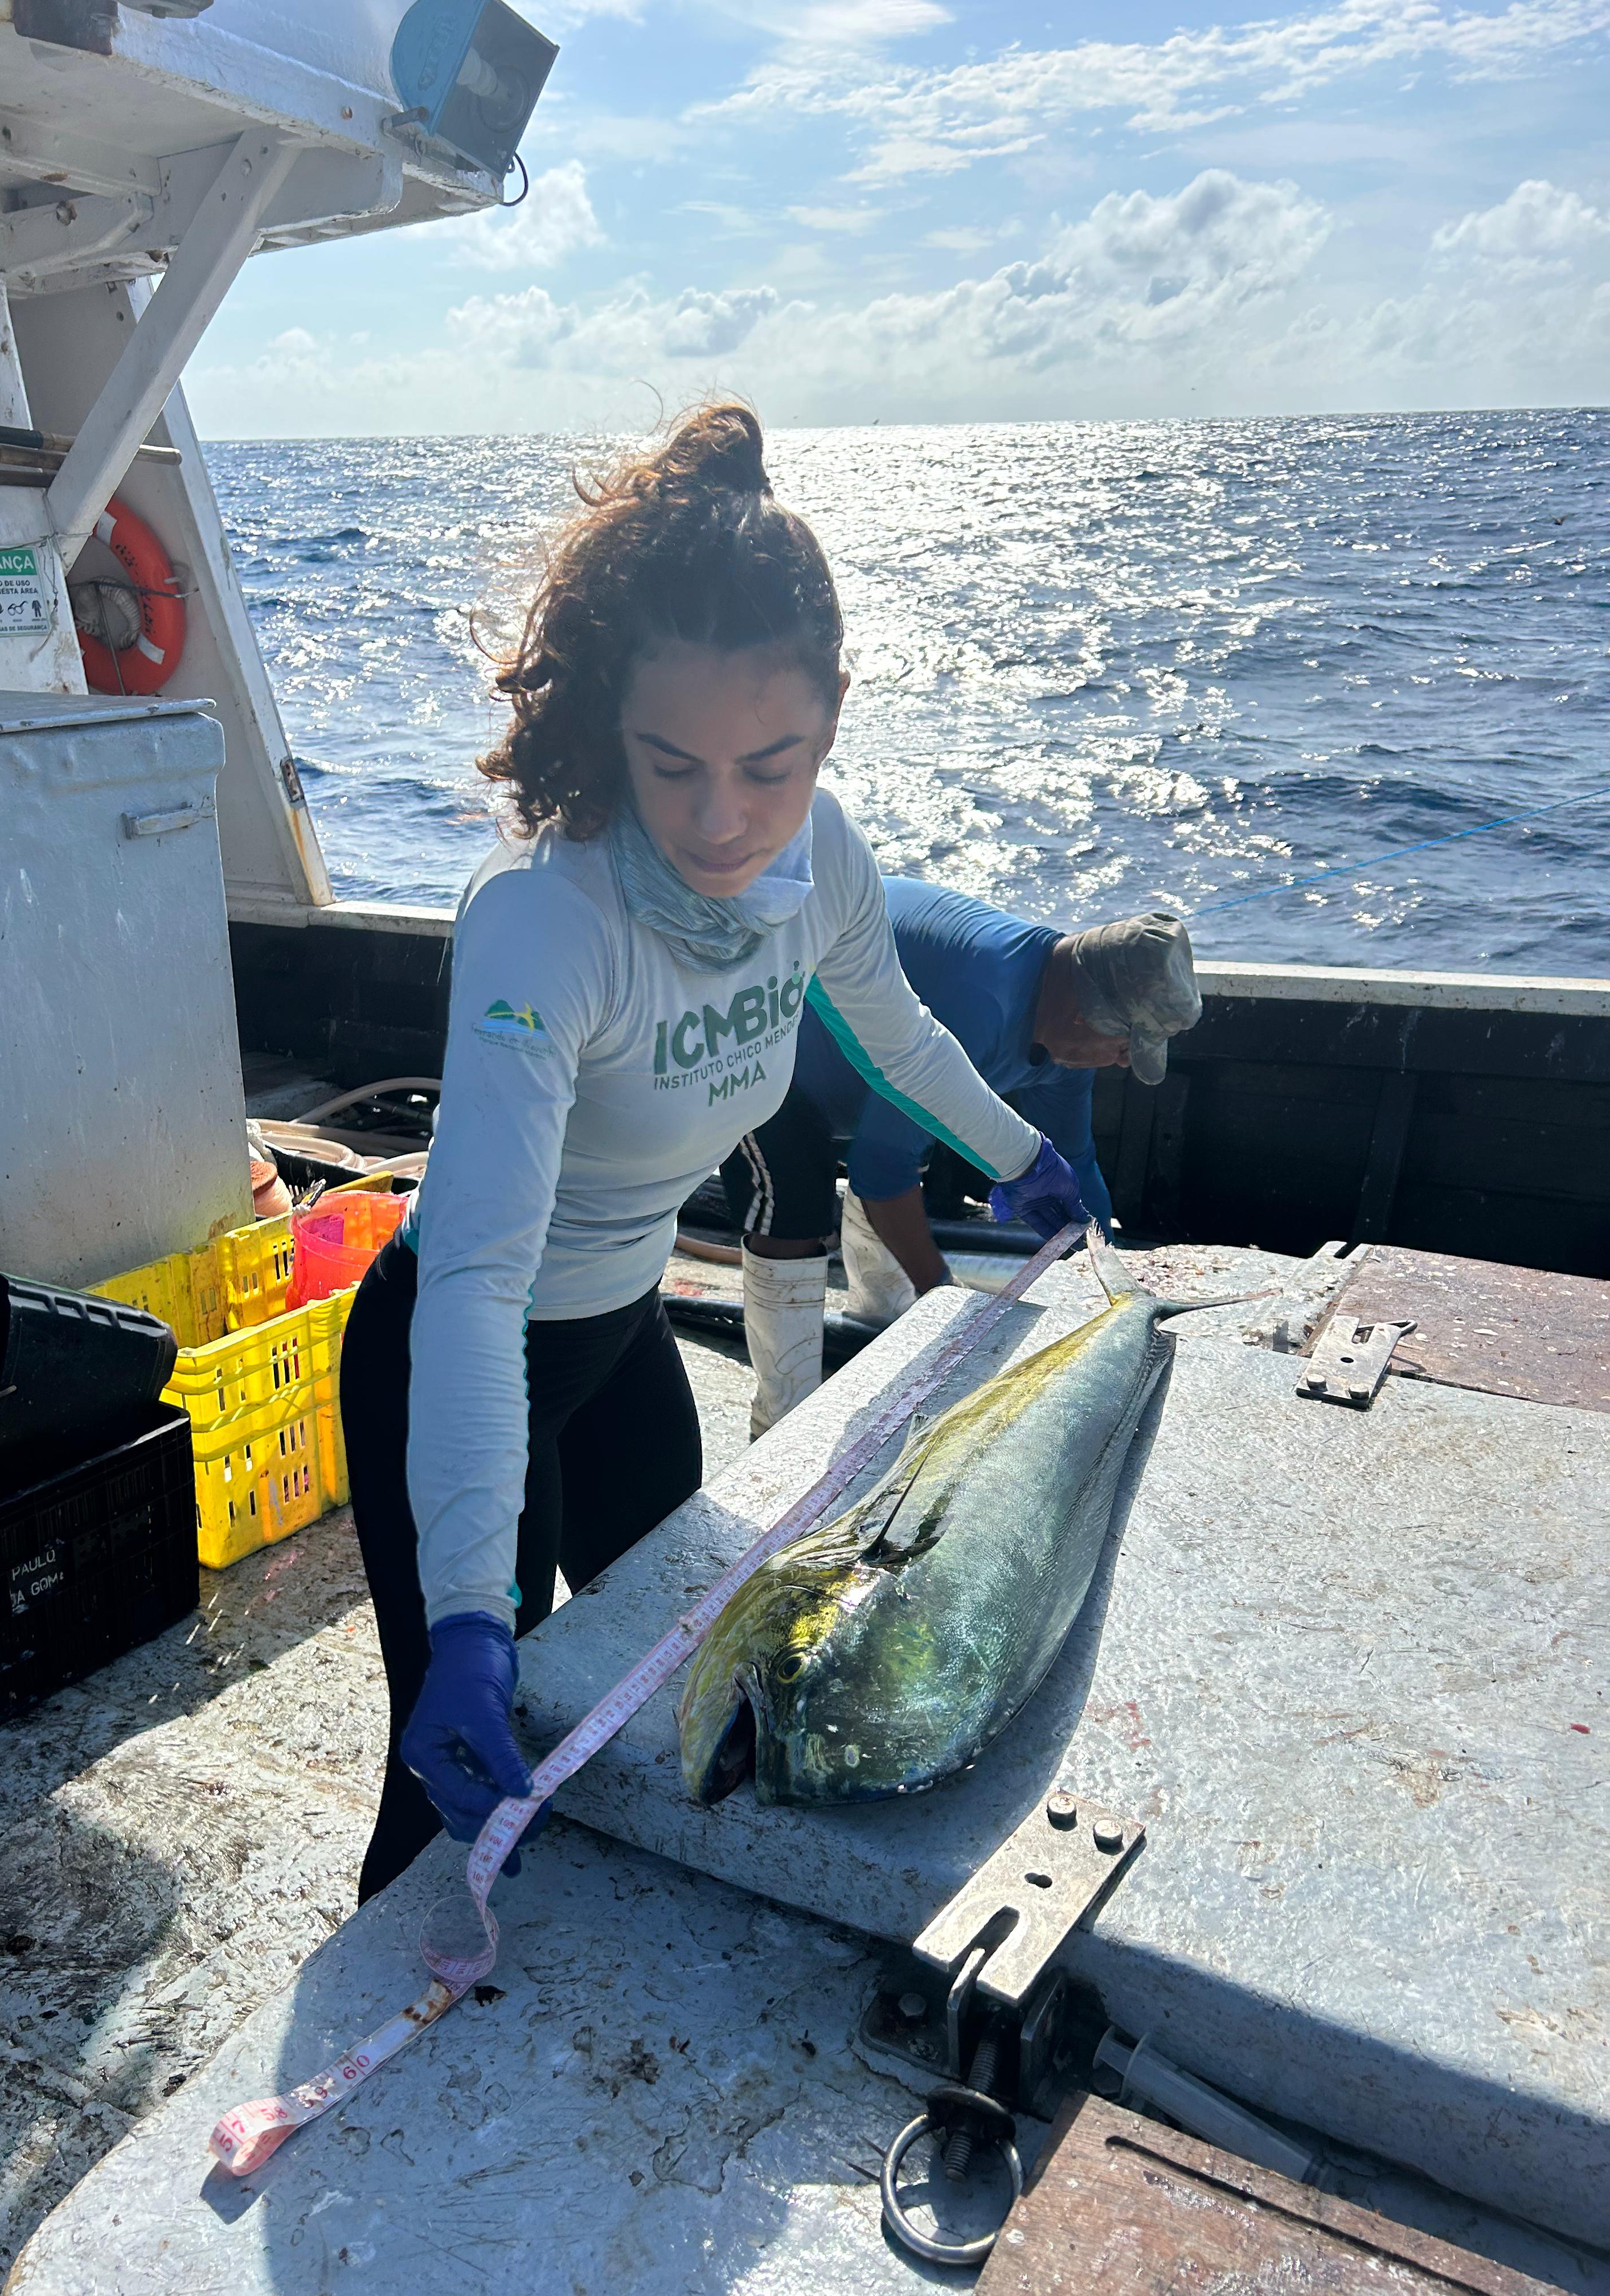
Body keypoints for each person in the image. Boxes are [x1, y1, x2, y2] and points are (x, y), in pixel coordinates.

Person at [337, 404, 1091, 1901]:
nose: (723, 818)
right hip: (454, 1352)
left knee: (679, 1675)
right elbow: (480, 1286)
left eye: (773, 763)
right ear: (611, 719)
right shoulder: (545, 926)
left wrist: (1022, 1159)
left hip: (620, 1342)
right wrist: (476, 1618)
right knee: (448, 1790)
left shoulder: (826, 860)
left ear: (833, 717)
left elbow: (899, 1037)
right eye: (670, 765)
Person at [720, 890, 1202, 1433]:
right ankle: (779, 1421)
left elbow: (1075, 1163)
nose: (1123, 1063)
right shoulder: (982, 1004)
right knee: (795, 1206)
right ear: (1081, 1010)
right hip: (760, 1047)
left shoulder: (1065, 1036)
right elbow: (881, 1177)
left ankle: (877, 1321)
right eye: (1123, 1045)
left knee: (910, 1143)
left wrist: (1111, 1284)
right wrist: (945, 1304)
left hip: (860, 1061)